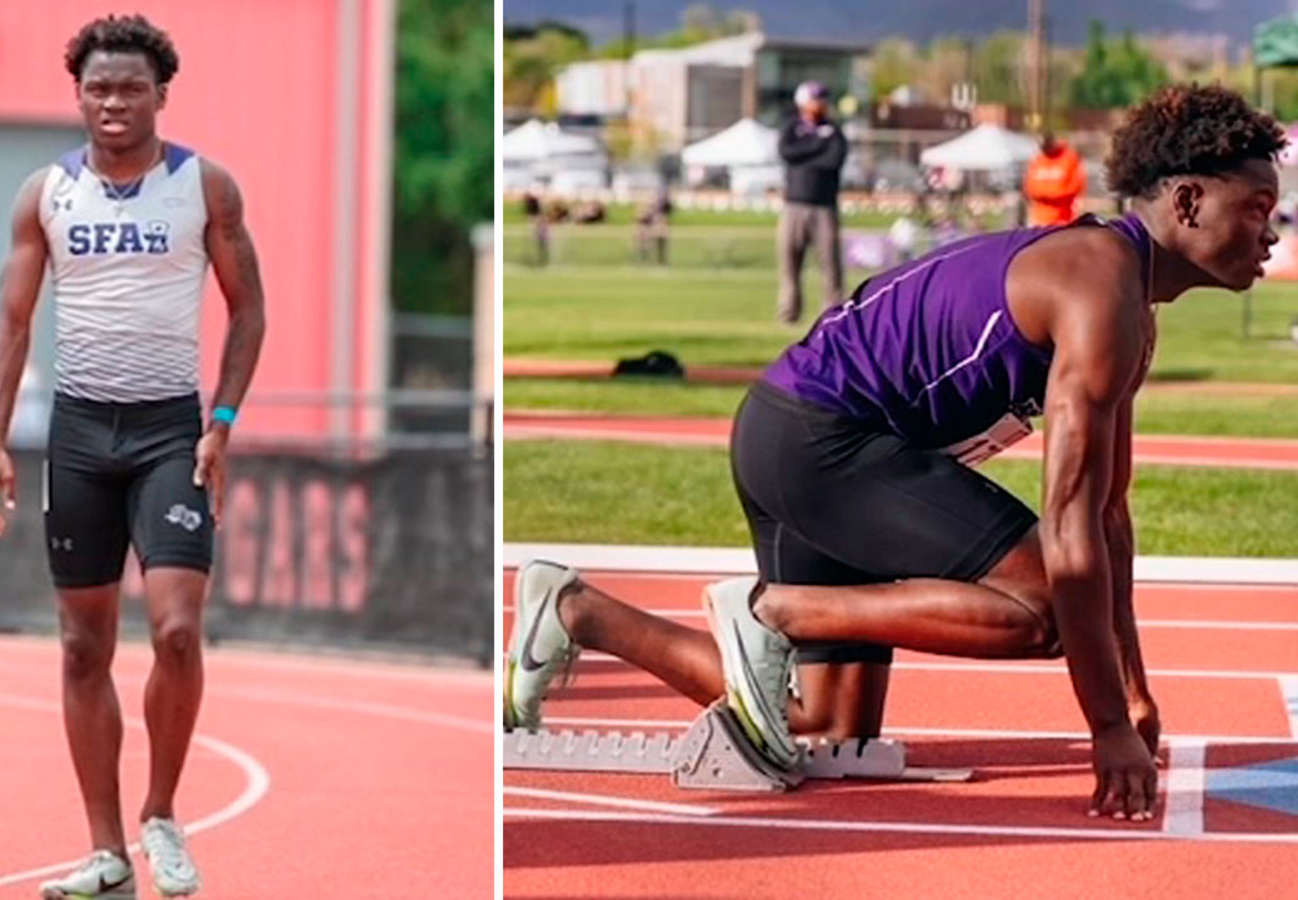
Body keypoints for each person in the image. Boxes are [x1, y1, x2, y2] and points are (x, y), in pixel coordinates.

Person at [503, 84, 1282, 823]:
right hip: (819, 440)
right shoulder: (1098, 286)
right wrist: (1106, 722)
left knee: (825, 725)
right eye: (1258, 209)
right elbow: (1072, 529)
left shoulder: (1128, 305)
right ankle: (767, 612)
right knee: (1047, 604)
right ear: (1187, 202)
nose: (1272, 234)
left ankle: (576, 611)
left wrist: (1136, 690)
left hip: (803, 433)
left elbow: (1109, 515)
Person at [0, 15, 266, 898]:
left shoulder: (203, 187)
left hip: (171, 431)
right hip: (79, 434)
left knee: (175, 629)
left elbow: (248, 310)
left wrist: (220, 420)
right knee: (79, 648)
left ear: (160, 95)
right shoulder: (46, 194)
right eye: (98, 87)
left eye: (130, 87)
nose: (113, 102)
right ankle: (107, 855)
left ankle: (162, 814)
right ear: (79, 94)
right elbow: (12, 324)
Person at [776, 81, 848, 323]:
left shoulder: (834, 131)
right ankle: (789, 312)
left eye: (823, 100)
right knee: (789, 262)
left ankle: (833, 315)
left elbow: (833, 160)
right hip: (794, 205)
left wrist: (806, 155)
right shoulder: (792, 129)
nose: (820, 105)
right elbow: (787, 153)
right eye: (816, 99)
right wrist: (817, 145)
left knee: (830, 263)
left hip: (824, 206)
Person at [1025, 131, 1088, 226]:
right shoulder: (1038, 160)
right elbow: (1030, 188)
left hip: (1063, 219)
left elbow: (1076, 186)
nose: (1045, 150)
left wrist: (1051, 193)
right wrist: (1044, 193)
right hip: (1040, 219)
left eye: (1047, 146)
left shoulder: (1069, 158)